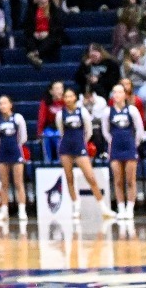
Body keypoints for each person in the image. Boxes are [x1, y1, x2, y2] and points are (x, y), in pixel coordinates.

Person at [55, 89, 105, 218]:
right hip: (66, 148)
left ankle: (103, 207)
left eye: (71, 96)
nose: (68, 99)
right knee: (69, 178)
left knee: (90, 177)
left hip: (80, 147)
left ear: (75, 97)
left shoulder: (82, 112)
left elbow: (88, 132)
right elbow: (61, 132)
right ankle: (76, 206)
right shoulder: (60, 114)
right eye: (66, 96)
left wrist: (81, 143)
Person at [104, 83, 145, 220]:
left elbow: (140, 129)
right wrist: (112, 141)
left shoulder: (132, 110)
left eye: (120, 92)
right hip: (115, 147)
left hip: (129, 146)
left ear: (125, 95)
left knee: (130, 180)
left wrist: (135, 143)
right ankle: (120, 208)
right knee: (118, 180)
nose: (117, 95)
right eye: (115, 92)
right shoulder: (108, 111)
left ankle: (130, 209)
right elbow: (105, 131)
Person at [0, 95, 28, 223]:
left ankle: (22, 210)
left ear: (10, 104)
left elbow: (23, 137)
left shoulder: (18, 118)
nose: (2, 106)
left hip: (16, 151)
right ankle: (4, 211)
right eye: (0, 104)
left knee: (18, 183)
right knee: (4, 184)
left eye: (5, 103)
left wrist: (16, 146)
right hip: (2, 153)